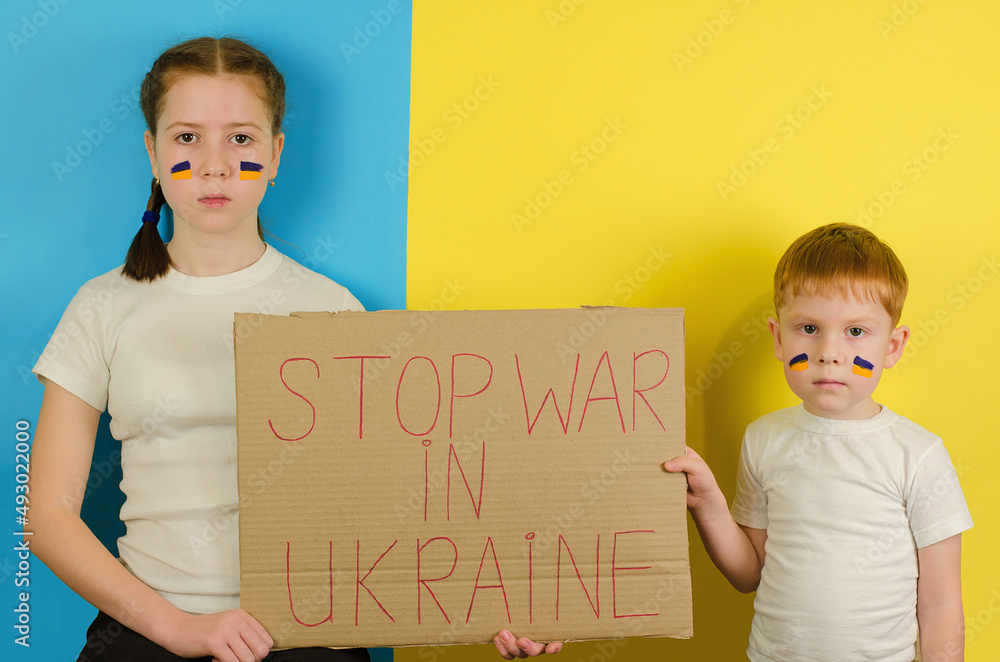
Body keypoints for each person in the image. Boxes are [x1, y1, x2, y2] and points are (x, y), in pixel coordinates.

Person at [28, 36, 559, 662]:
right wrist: (178, 628)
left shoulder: (330, 309)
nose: (216, 165)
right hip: (150, 629)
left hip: (309, 632)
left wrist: (504, 604)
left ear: (276, 154)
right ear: (152, 150)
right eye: (187, 138)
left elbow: (405, 497)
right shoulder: (102, 305)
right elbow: (47, 516)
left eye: (242, 139)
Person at [665, 223, 972, 661]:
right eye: (808, 328)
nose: (829, 351)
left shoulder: (919, 455)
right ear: (777, 337)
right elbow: (749, 572)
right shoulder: (763, 440)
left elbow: (941, 604)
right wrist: (708, 503)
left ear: (893, 346)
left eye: (855, 332)